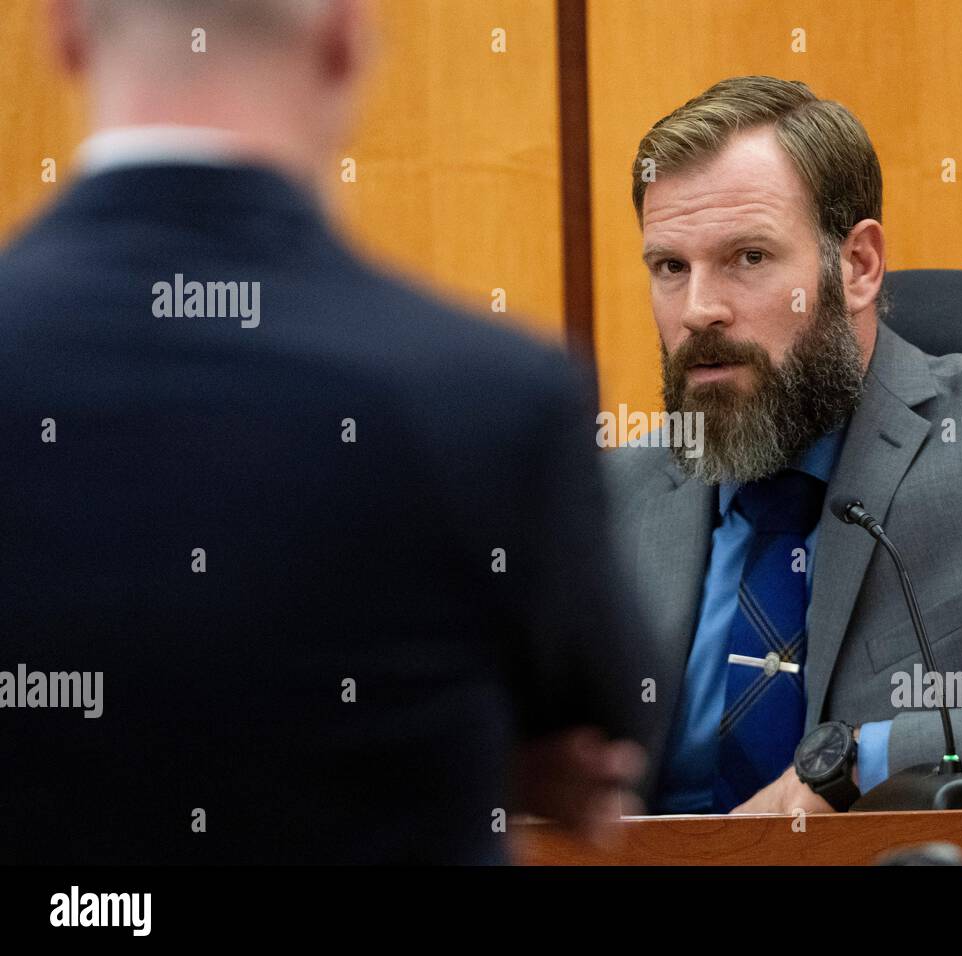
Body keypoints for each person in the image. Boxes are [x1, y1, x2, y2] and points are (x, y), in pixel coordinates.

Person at [0, 0, 650, 864]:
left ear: (63, 32)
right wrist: (469, 740)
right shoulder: (492, 398)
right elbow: (617, 720)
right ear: (345, 40)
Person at [605, 75, 962, 814]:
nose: (699, 310)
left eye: (749, 258)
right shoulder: (598, 500)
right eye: (671, 267)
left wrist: (866, 762)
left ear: (857, 266)